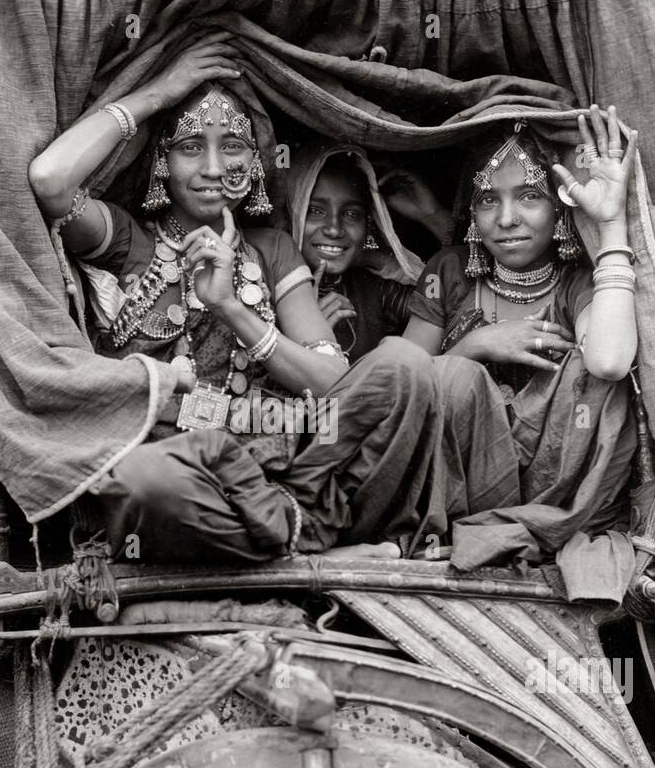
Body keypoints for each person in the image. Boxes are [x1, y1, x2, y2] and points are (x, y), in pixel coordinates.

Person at [28, 33, 452, 565]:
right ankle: (303, 551)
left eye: (231, 146)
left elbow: (328, 383)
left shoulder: (271, 249)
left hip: (280, 460)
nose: (212, 166)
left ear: (255, 164)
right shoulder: (129, 242)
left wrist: (234, 309)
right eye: (189, 147)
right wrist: (157, 94)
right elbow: (49, 181)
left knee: (404, 366)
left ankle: (292, 534)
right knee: (144, 479)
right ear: (161, 162)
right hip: (177, 464)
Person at [402, 107, 643, 578]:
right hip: (450, 491)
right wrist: (474, 347)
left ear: (559, 206)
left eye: (529, 197)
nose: (507, 218)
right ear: (472, 213)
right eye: (489, 201)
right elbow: (397, 383)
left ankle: (513, 531)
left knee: (593, 377)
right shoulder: (449, 272)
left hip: (549, 496)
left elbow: (611, 363)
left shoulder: (576, 282)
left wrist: (611, 225)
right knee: (446, 375)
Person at [285, 142, 421, 362]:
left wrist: (431, 215)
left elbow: (449, 312)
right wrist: (308, 334)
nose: (334, 229)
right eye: (315, 211)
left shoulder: (374, 290)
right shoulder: (259, 290)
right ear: (292, 211)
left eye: (351, 214)